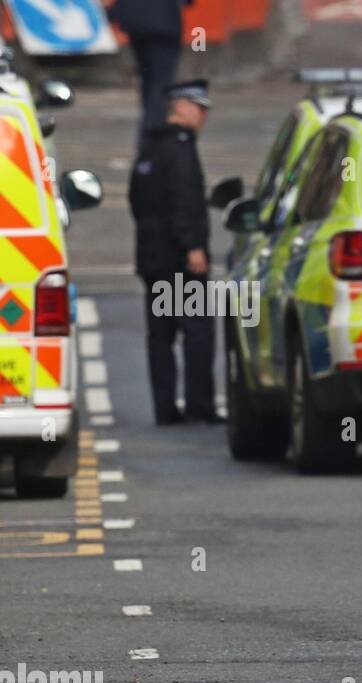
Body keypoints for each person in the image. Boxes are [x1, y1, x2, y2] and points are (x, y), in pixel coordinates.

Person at [128, 79, 220, 425]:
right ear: (181, 107)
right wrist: (192, 246)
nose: (203, 116)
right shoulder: (181, 149)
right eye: (199, 108)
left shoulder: (150, 147)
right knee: (198, 331)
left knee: (161, 335)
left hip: (153, 259)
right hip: (181, 261)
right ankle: (200, 404)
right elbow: (183, 201)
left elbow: (137, 201)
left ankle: (165, 408)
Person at [109, 0, 193, 140]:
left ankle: (150, 135)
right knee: (160, 85)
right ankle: (152, 138)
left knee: (149, 82)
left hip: (135, 18)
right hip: (163, 19)